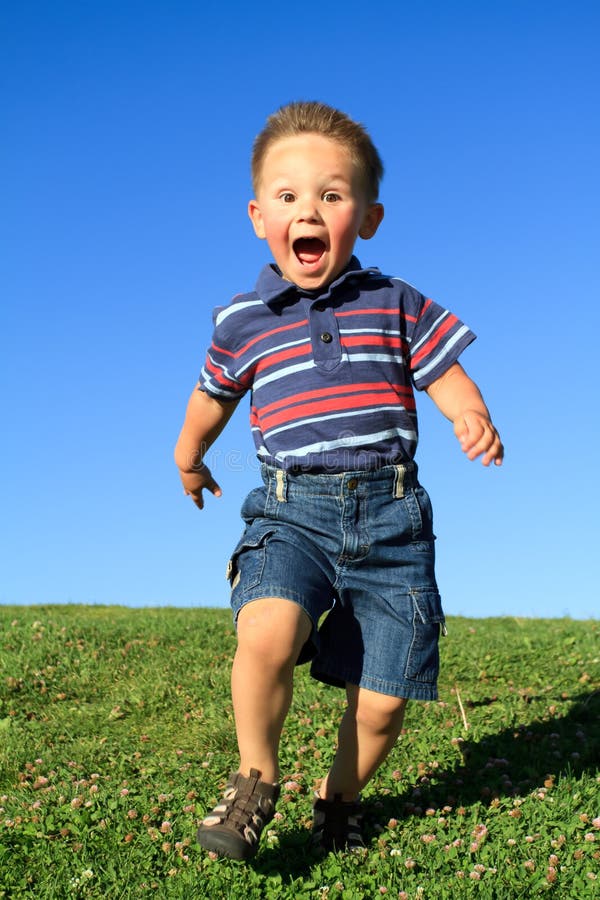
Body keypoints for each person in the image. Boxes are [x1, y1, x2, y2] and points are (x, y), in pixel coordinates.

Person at [174, 100, 503, 861]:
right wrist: (190, 453)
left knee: (384, 703)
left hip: (392, 520)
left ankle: (340, 797)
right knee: (266, 631)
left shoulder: (394, 301)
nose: (308, 210)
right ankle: (256, 778)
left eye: (331, 193)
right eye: (288, 196)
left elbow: (444, 371)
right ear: (260, 216)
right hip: (293, 511)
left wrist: (470, 413)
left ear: (369, 216)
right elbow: (212, 395)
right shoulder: (243, 319)